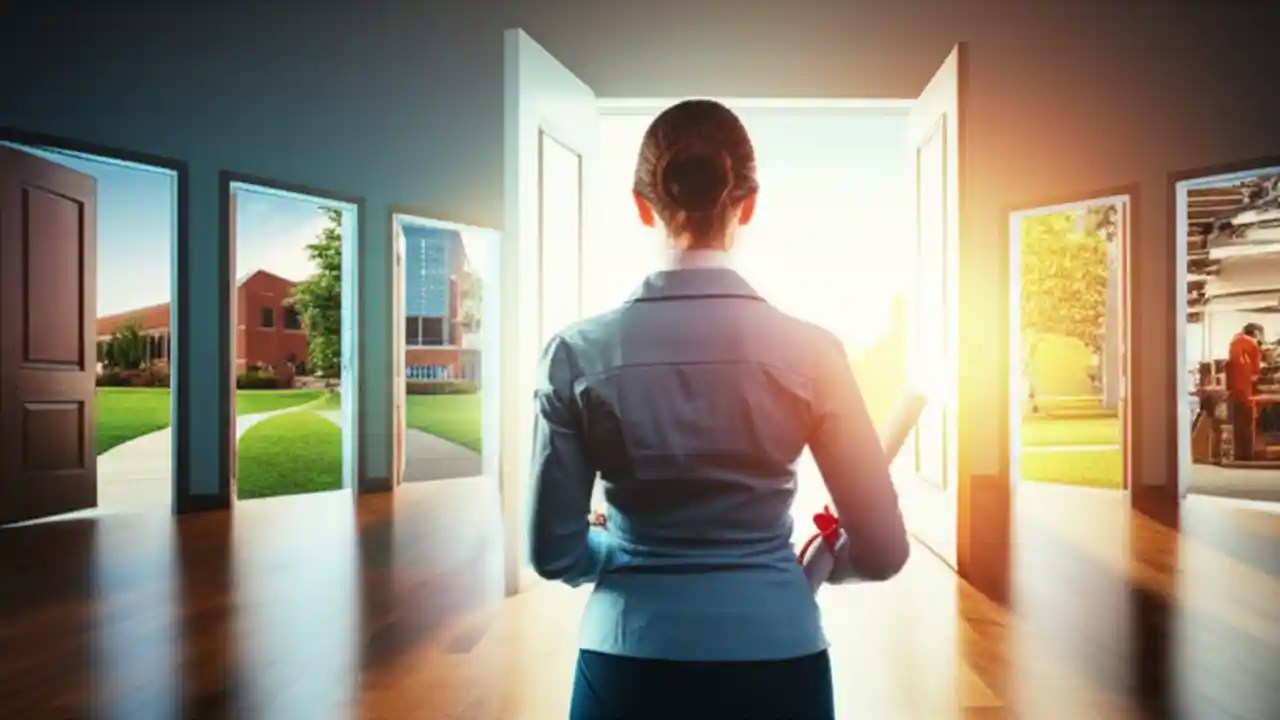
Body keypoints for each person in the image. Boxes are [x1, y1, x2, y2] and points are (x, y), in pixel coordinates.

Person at [527, 99, 909, 719]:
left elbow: (555, 555)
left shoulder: (574, 354)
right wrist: (824, 561)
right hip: (781, 655)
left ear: (641, 203)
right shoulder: (813, 352)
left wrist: (615, 551)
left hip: (626, 662)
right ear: (748, 204)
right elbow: (884, 552)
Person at [1226, 322, 1264, 461]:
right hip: (1247, 390)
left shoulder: (1234, 341)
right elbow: (1255, 371)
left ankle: (1239, 454)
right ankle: (1248, 455)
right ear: (1256, 333)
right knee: (1248, 423)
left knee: (1238, 424)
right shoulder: (1252, 344)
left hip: (1235, 390)